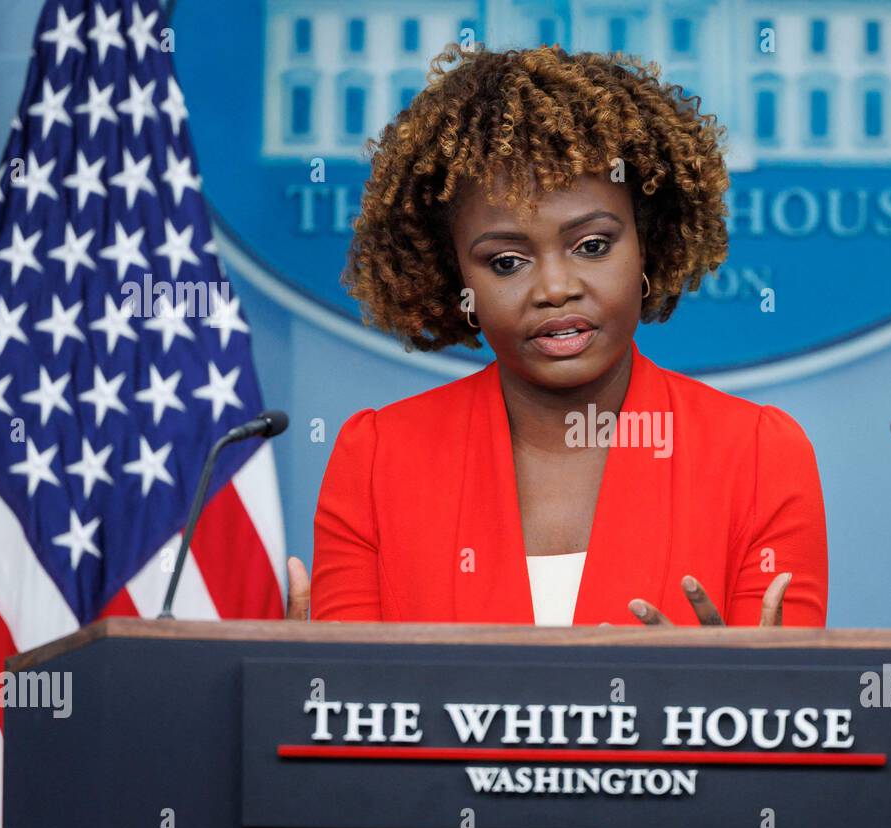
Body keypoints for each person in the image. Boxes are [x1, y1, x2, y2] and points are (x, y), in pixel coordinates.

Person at [285, 43, 827, 627]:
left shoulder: (756, 456)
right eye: (506, 262)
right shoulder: (377, 460)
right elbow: (351, 708)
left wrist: (727, 700)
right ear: (454, 276)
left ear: (646, 242)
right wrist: (309, 685)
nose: (554, 287)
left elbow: (787, 707)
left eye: (592, 246)